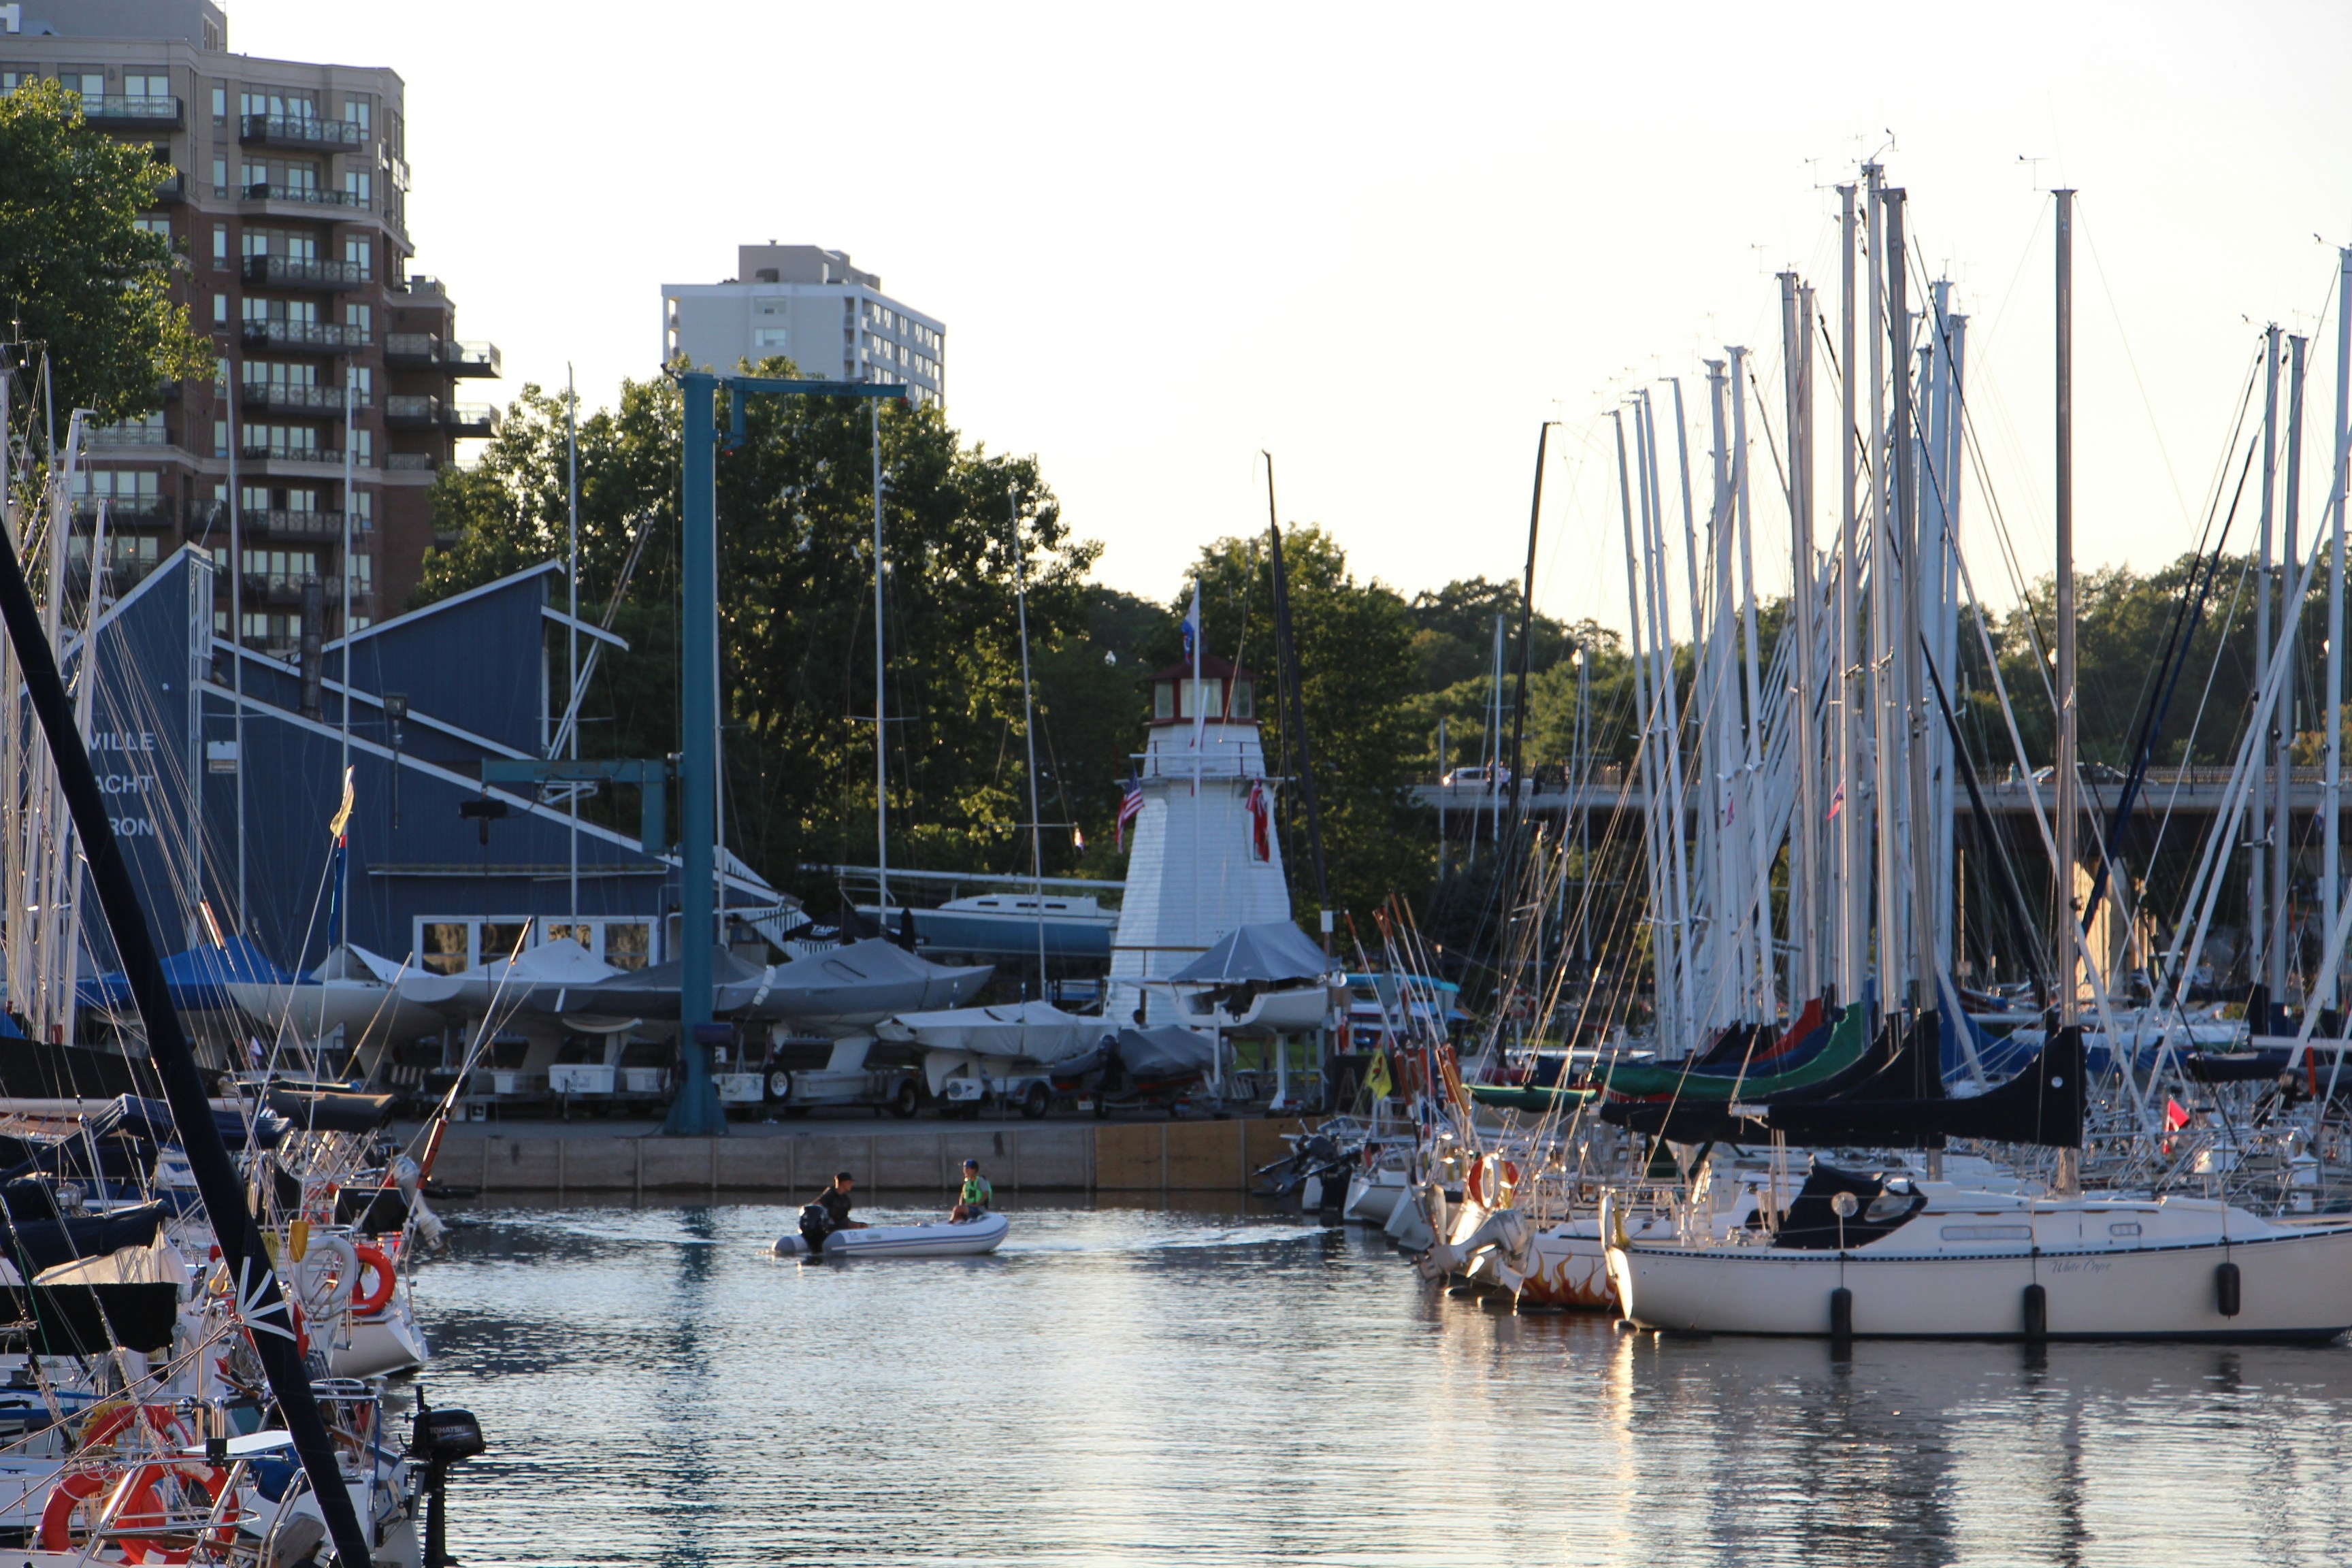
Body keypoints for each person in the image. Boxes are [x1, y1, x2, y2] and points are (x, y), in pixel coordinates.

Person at [798, 1171, 868, 1256]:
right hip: (830, 1224)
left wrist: (851, 1223)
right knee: (857, 1226)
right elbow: (815, 1206)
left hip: (841, 1222)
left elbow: (844, 1217)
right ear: (843, 1183)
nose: (851, 1184)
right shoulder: (830, 1195)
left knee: (863, 1225)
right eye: (850, 1182)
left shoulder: (846, 1199)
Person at [951, 1159, 993, 1223]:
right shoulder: (967, 1182)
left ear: (974, 1170)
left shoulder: (980, 1180)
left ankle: (952, 1222)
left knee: (957, 1209)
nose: (965, 1171)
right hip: (969, 1208)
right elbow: (962, 1196)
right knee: (958, 1209)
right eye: (964, 1169)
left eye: (967, 1169)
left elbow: (986, 1193)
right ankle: (954, 1223)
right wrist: (962, 1206)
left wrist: (976, 1204)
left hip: (979, 1209)